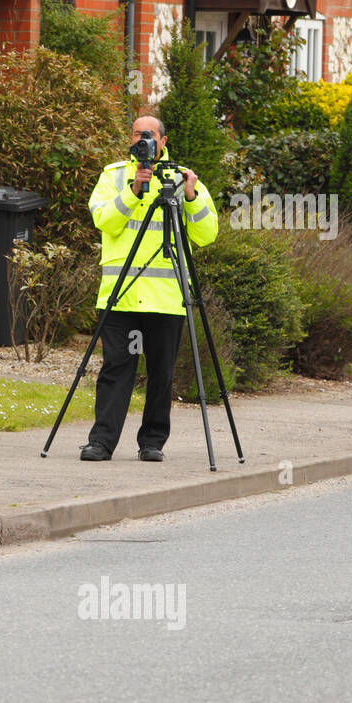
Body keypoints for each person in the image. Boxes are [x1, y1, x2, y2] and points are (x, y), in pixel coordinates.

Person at [79, 114, 219, 462]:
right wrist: (133, 191)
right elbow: (103, 221)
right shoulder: (114, 177)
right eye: (138, 134)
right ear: (130, 138)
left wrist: (191, 197)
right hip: (122, 296)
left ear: (163, 142)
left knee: (161, 374)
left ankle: (152, 442)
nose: (144, 141)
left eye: (150, 135)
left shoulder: (181, 177)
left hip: (166, 298)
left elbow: (207, 234)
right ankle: (101, 442)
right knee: (115, 369)